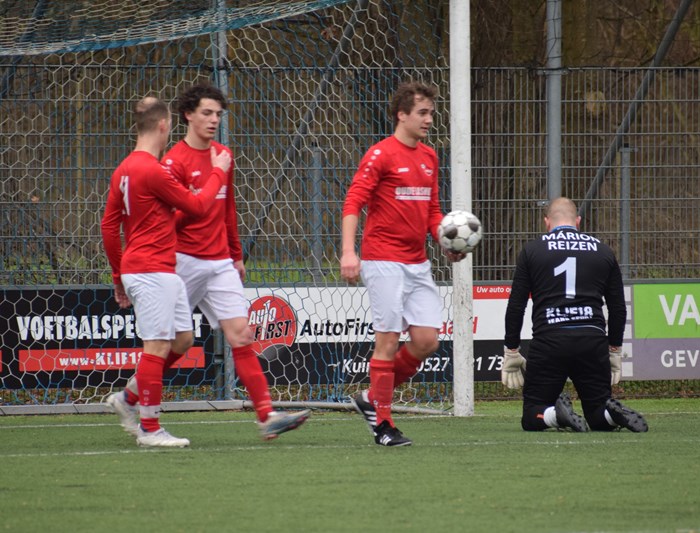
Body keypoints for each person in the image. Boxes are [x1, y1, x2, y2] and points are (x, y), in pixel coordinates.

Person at [106, 83, 310, 441]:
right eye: (207, 113)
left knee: (241, 335)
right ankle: (133, 400)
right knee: (177, 343)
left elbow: (226, 209)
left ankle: (267, 415)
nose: (214, 120)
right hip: (178, 260)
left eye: (218, 114)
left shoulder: (222, 156)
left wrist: (235, 253)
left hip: (218, 262)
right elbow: (180, 214)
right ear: (185, 116)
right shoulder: (170, 163)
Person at [340, 81, 465, 447]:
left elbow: (432, 211)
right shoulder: (380, 155)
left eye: (431, 113)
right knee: (388, 342)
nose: (429, 119)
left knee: (426, 341)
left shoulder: (429, 157)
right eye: (422, 113)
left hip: (417, 263)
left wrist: (445, 241)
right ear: (402, 115)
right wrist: (349, 252)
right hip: (383, 261)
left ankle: (369, 398)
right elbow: (353, 203)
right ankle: (383, 424)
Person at [101, 96, 231, 447]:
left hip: (156, 267)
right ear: (164, 126)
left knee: (182, 340)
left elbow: (110, 227)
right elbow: (200, 207)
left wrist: (118, 276)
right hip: (150, 269)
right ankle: (149, 427)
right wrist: (218, 170)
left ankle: (128, 398)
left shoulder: (125, 169)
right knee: (157, 346)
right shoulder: (152, 170)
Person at [501, 197, 648, 433]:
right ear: (577, 221)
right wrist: (614, 350)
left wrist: (511, 350)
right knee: (597, 415)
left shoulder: (532, 250)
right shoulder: (603, 250)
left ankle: (555, 415)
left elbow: (516, 305)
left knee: (532, 415)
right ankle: (611, 414)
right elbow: (618, 308)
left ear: (547, 221)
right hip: (592, 340)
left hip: (550, 340)